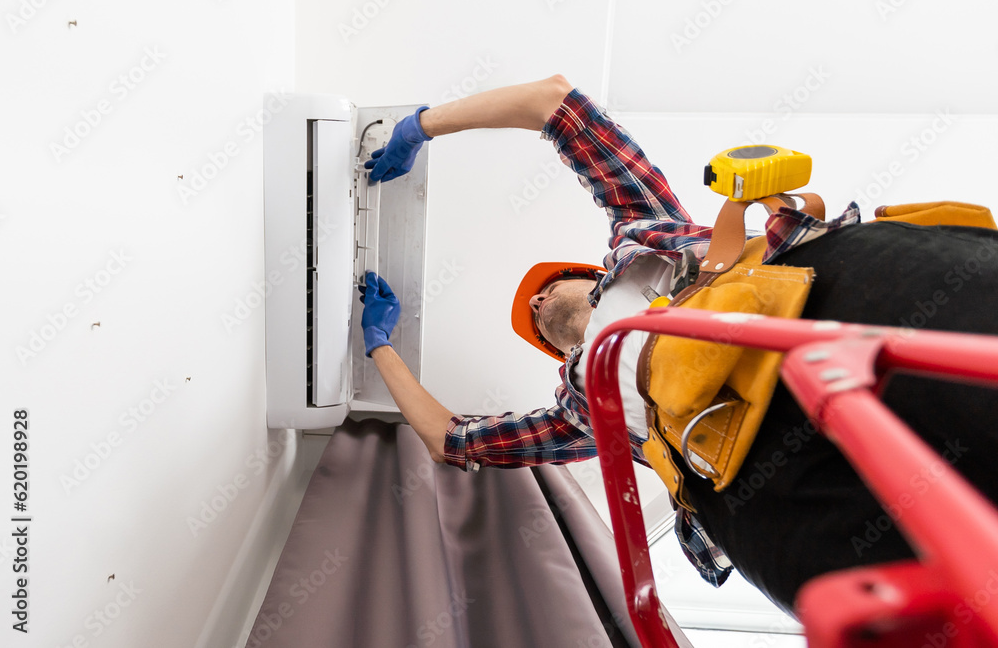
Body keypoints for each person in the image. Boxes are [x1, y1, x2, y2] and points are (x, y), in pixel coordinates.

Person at [358, 75, 998, 613]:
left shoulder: (646, 231)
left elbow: (553, 103)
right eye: (533, 319)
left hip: (825, 299)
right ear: (560, 360)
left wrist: (420, 127)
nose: (536, 303)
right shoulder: (580, 412)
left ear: (589, 273)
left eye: (545, 289)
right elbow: (449, 441)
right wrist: (378, 343)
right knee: (909, 603)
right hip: (752, 479)